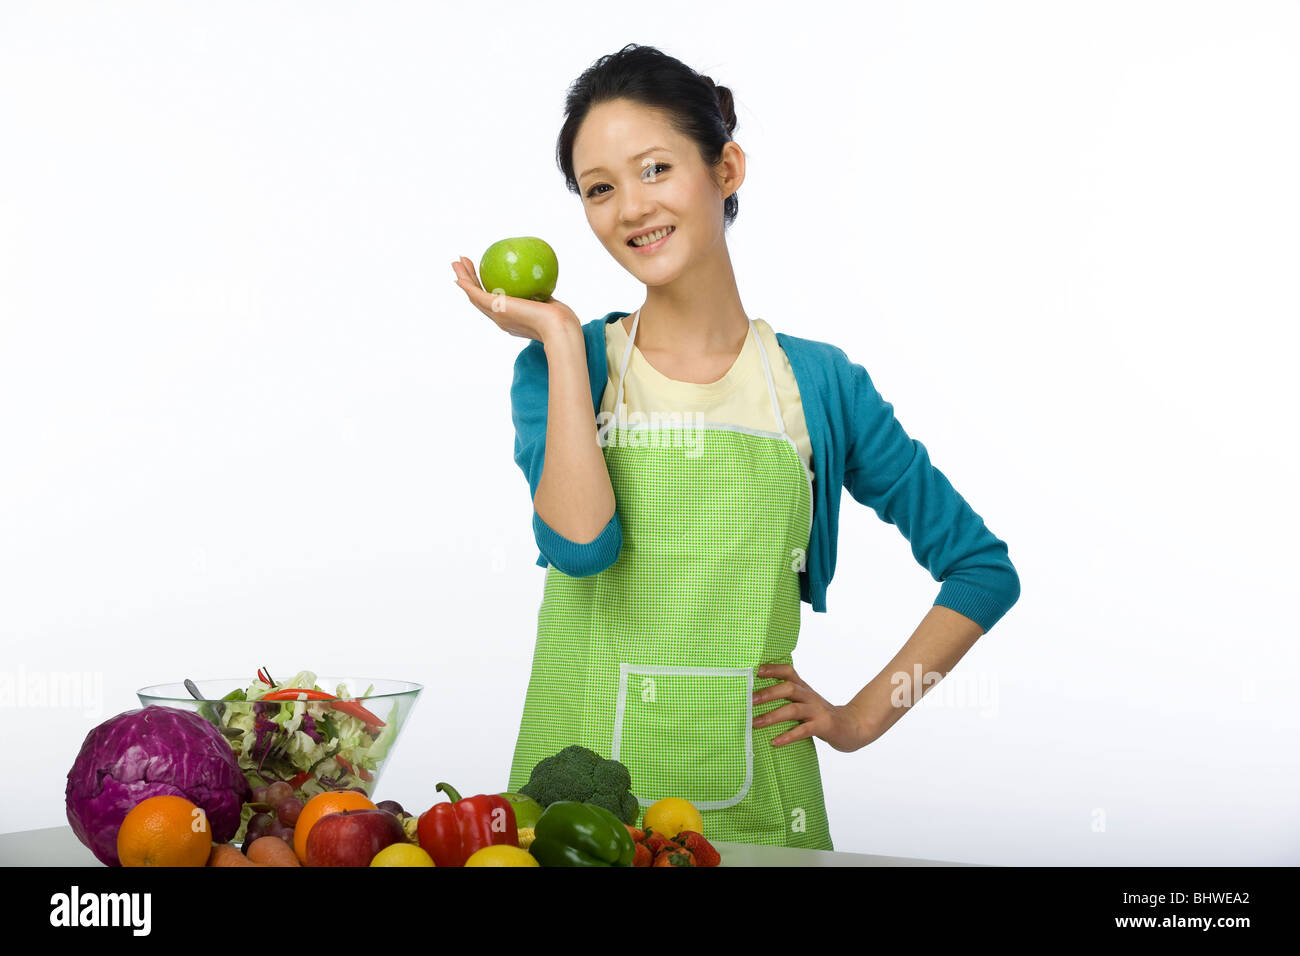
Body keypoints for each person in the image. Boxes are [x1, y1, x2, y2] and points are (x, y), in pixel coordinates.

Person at [452, 43, 1020, 850]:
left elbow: (982, 570)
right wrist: (551, 333)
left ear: (726, 169)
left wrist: (861, 720)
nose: (631, 208)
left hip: (763, 808)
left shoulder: (820, 386)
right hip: (573, 814)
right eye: (600, 189)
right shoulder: (563, 369)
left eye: (656, 169)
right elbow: (582, 547)